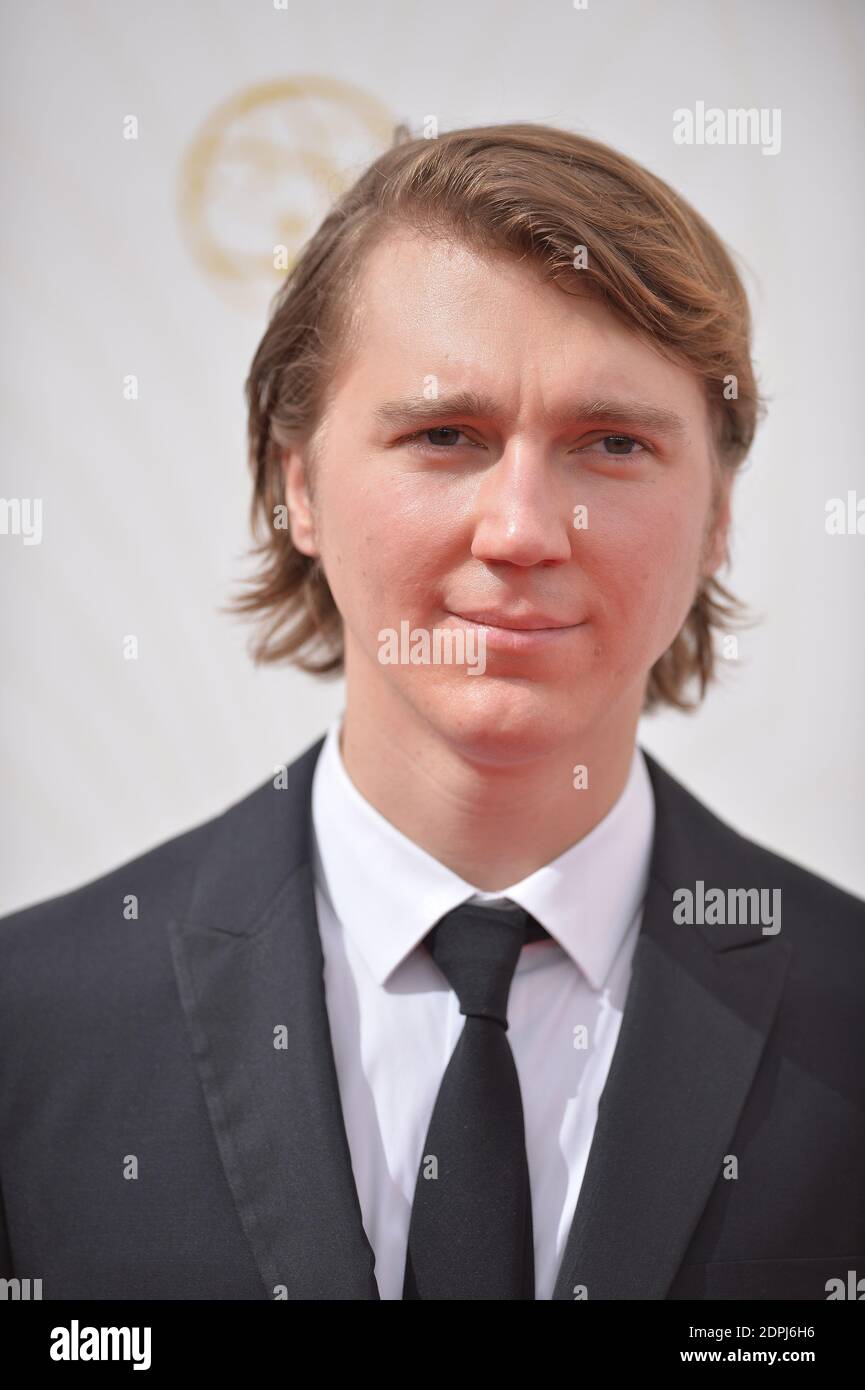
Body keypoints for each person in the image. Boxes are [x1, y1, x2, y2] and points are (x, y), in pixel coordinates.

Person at [1, 123, 863, 1302]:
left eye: (611, 443)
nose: (519, 529)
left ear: (718, 515)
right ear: (295, 481)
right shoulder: (33, 1024)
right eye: (444, 436)